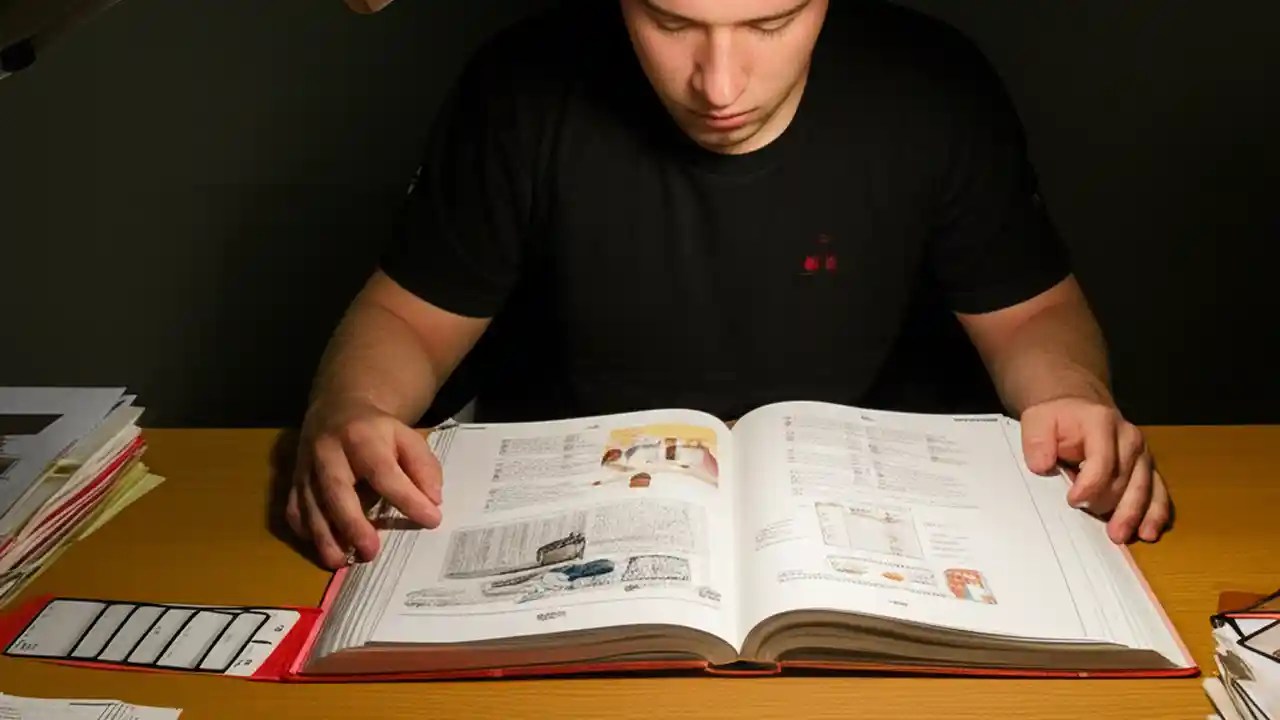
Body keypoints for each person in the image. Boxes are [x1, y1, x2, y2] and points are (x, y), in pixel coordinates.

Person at [285, 0, 1172, 569]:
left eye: (770, 24)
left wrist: (1072, 394)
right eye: (670, 24)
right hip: (582, 529)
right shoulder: (519, 85)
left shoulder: (936, 84)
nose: (718, 85)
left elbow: (1032, 313)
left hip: (869, 534)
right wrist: (350, 407)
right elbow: (408, 316)